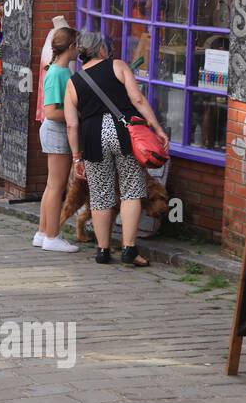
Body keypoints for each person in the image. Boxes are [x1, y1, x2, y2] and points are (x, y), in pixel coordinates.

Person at [64, 31, 169, 267]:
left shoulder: (73, 82)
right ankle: (129, 250)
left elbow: (72, 124)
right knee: (132, 189)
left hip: (92, 137)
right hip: (123, 132)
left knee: (100, 193)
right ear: (101, 49)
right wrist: (157, 128)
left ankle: (102, 250)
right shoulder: (118, 66)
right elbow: (138, 100)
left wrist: (75, 157)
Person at [34, 26, 80, 253]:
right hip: (56, 132)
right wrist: (77, 115)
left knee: (52, 185)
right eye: (77, 45)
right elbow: (51, 111)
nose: (79, 50)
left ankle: (43, 232)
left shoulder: (56, 70)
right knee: (57, 187)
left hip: (53, 131)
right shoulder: (59, 73)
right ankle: (52, 236)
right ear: (70, 47)